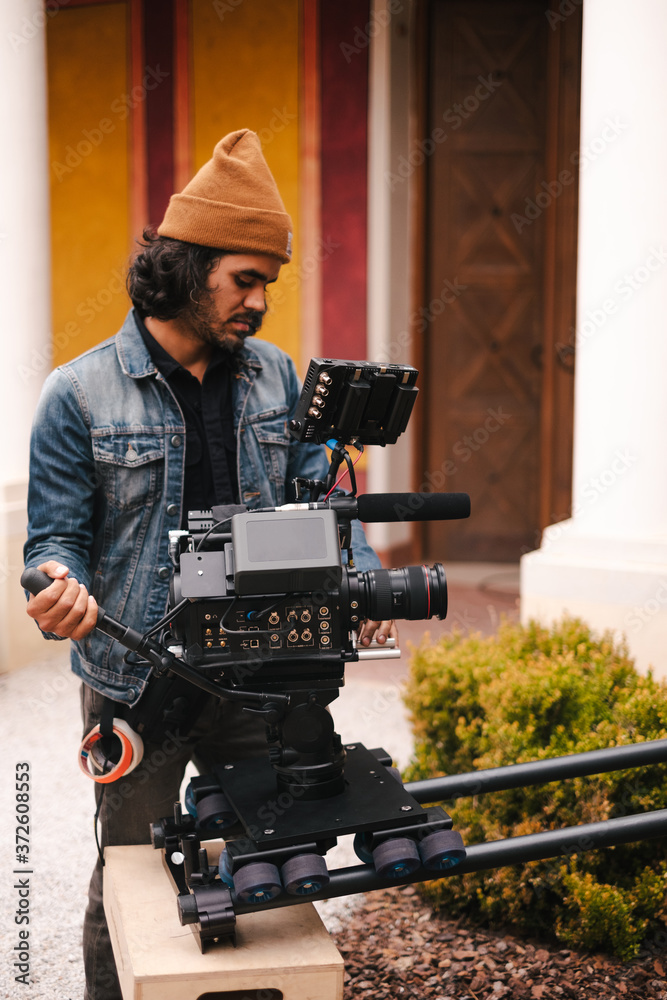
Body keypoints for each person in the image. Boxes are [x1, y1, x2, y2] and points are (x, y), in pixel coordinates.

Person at [23, 129, 396, 1000]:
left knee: (262, 868)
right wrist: (54, 590)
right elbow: (52, 543)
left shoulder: (275, 376)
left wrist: (363, 567)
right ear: (187, 270)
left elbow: (322, 498)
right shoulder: (77, 394)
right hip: (136, 678)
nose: (260, 302)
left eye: (267, 282)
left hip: (257, 672)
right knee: (131, 881)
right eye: (245, 279)